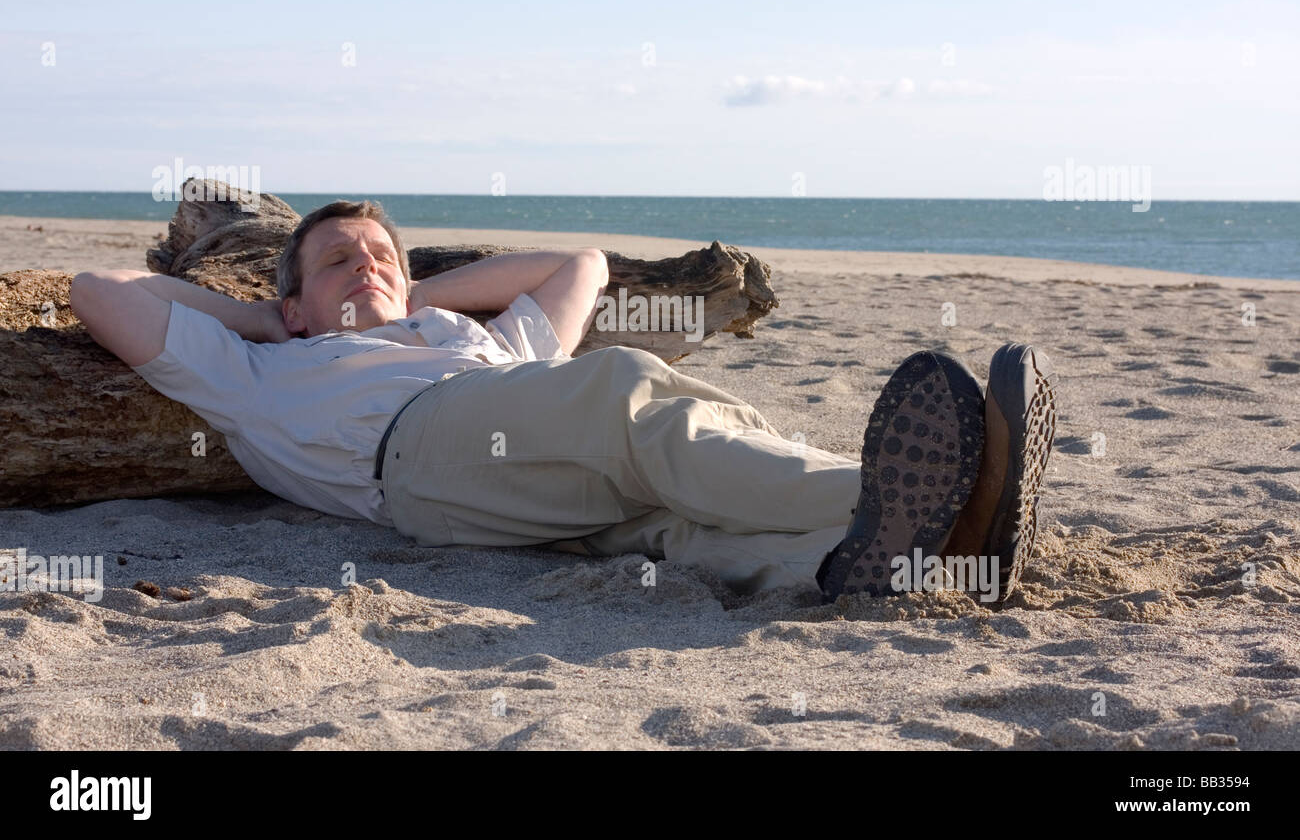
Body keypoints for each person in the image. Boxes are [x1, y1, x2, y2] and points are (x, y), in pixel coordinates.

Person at [70, 200, 1057, 604]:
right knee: (623, 392)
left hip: (506, 450)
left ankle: (930, 564)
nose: (365, 266)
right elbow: (99, 290)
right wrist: (273, 322)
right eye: (337, 260)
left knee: (676, 525)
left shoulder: (464, 335)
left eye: (382, 253)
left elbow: (577, 263)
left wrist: (414, 295)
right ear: (293, 300)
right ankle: (913, 489)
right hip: (414, 455)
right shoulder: (262, 371)